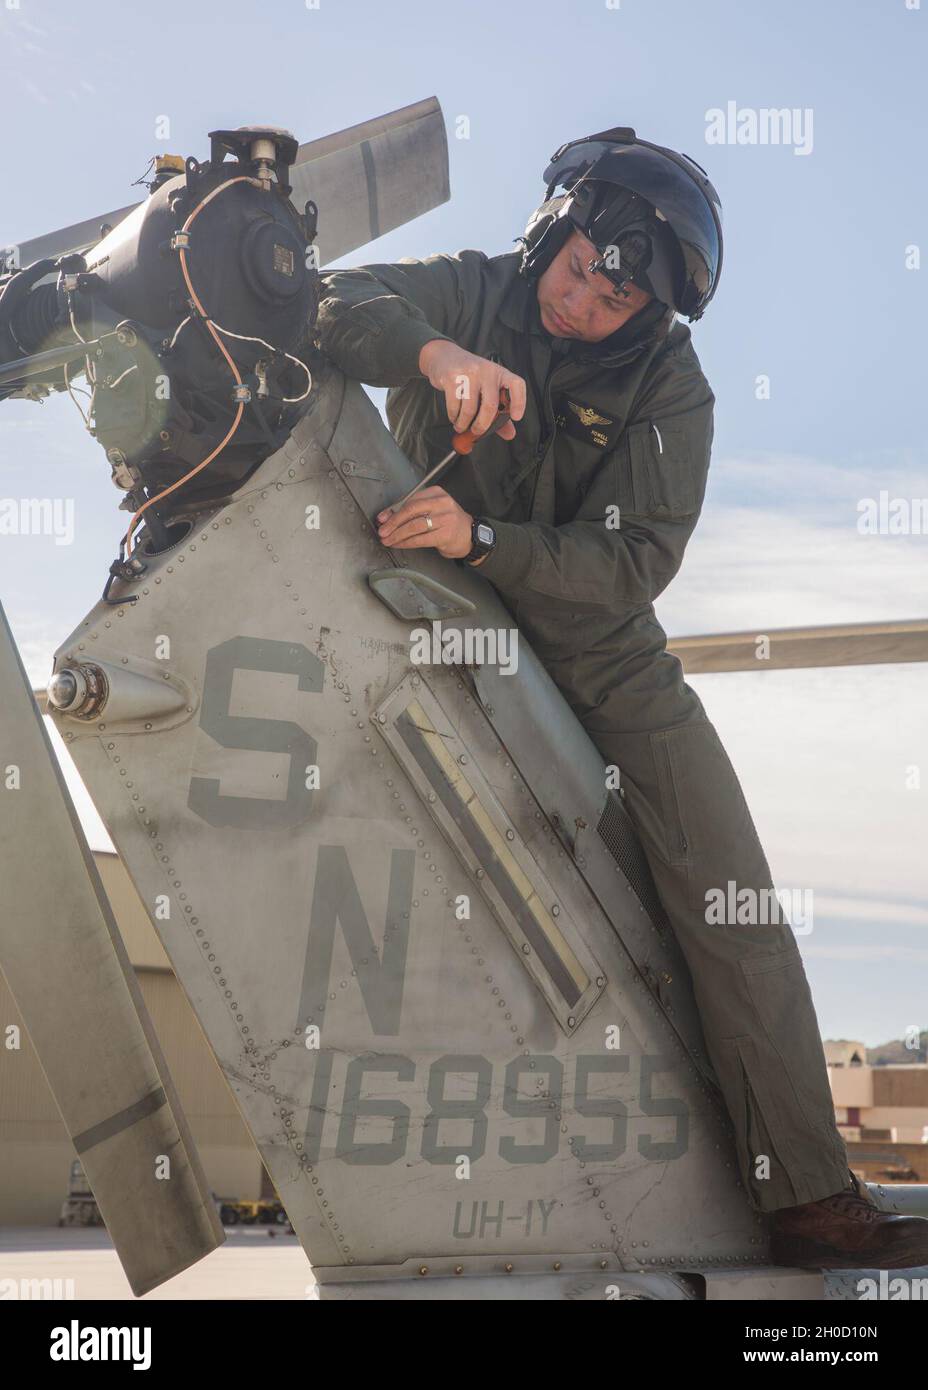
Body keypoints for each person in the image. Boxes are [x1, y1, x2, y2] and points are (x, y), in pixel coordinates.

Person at [315, 126, 928, 1270]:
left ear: (652, 313)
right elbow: (326, 304)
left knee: (729, 894)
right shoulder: (479, 289)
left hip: (597, 649)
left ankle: (802, 1193)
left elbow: (632, 566)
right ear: (556, 225)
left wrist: (486, 537)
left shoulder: (668, 387)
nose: (582, 301)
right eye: (581, 264)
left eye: (616, 295)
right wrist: (437, 353)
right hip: (427, 607)